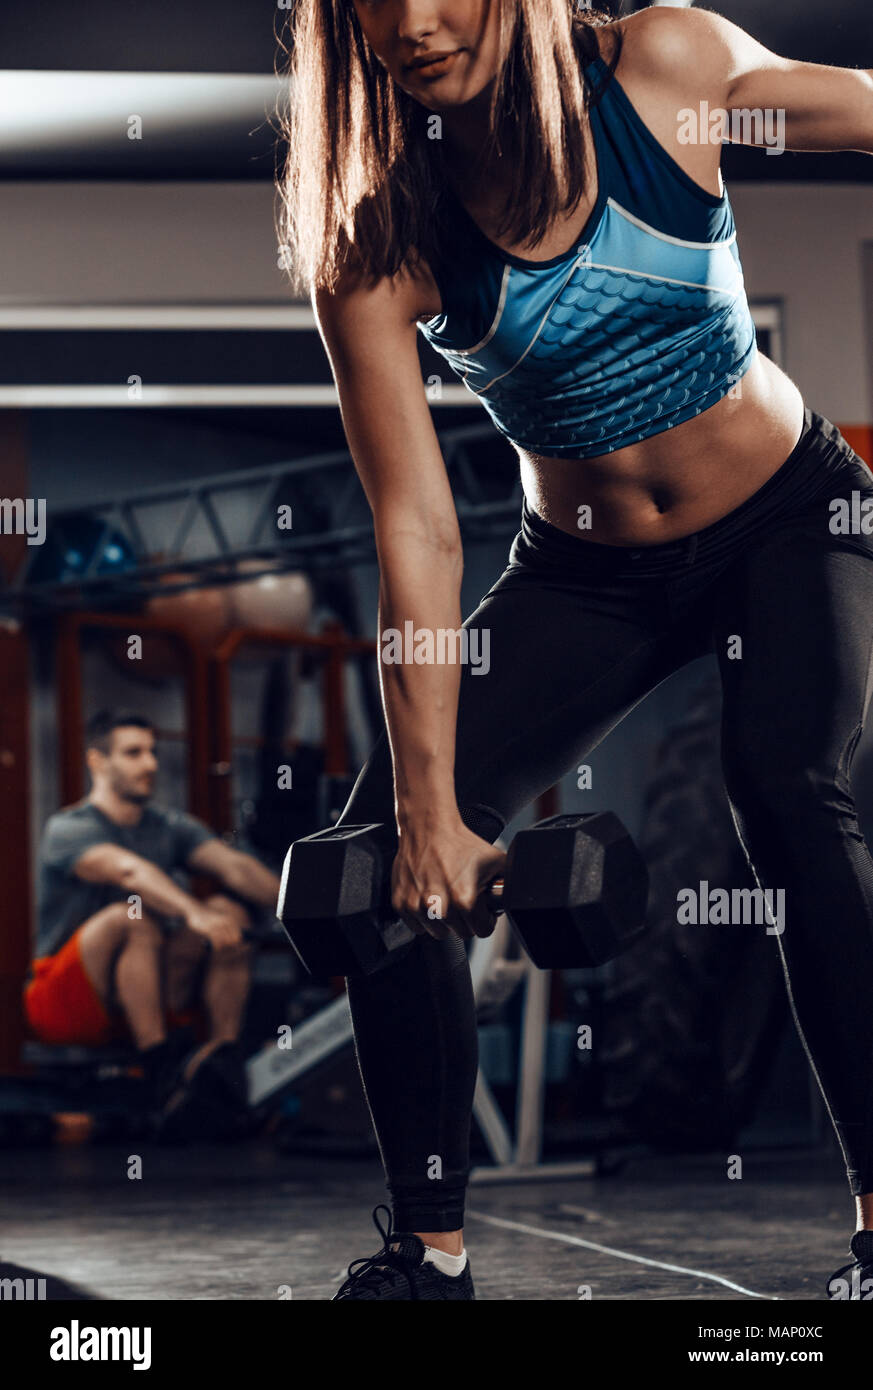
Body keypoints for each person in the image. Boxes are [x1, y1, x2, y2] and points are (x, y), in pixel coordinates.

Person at [277, 0, 873, 1299]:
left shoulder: (666, 70)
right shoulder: (381, 239)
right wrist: (433, 811)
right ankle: (429, 1253)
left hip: (790, 514)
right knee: (379, 859)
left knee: (787, 786)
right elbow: (418, 527)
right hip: (586, 574)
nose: (411, 21)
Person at [24, 710, 282, 1132]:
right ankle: (159, 1070)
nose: (150, 765)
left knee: (230, 913)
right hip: (66, 1002)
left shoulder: (168, 826)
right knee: (132, 917)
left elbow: (232, 867)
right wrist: (192, 913)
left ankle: (218, 1068)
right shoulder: (68, 828)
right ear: (98, 762)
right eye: (133, 753)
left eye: (152, 753)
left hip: (146, 992)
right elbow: (128, 872)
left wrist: (306, 906)